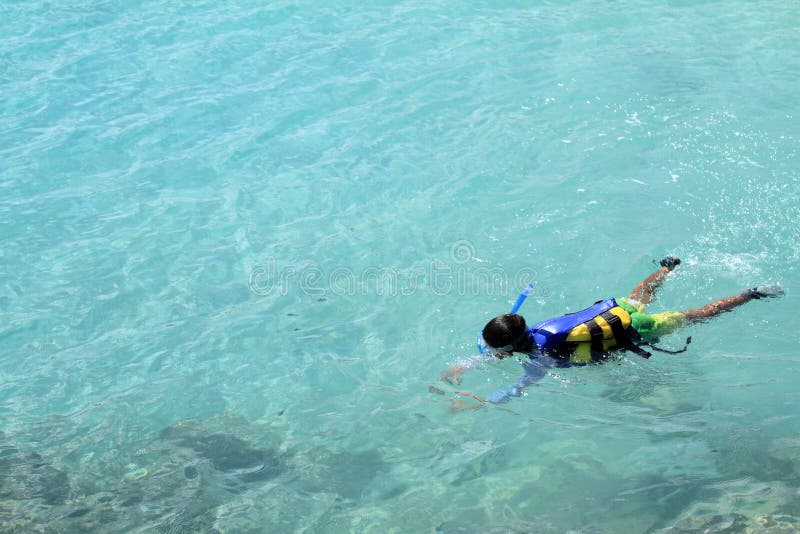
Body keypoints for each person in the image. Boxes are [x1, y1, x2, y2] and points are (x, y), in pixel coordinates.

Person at [441, 256, 784, 407]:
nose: (491, 351)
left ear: (510, 347)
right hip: (614, 307)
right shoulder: (534, 330)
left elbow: (522, 386)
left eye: (492, 348)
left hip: (636, 328)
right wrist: (466, 364)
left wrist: (488, 400)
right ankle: (668, 267)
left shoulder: (539, 356)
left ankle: (750, 294)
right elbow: (498, 350)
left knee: (695, 315)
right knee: (639, 295)